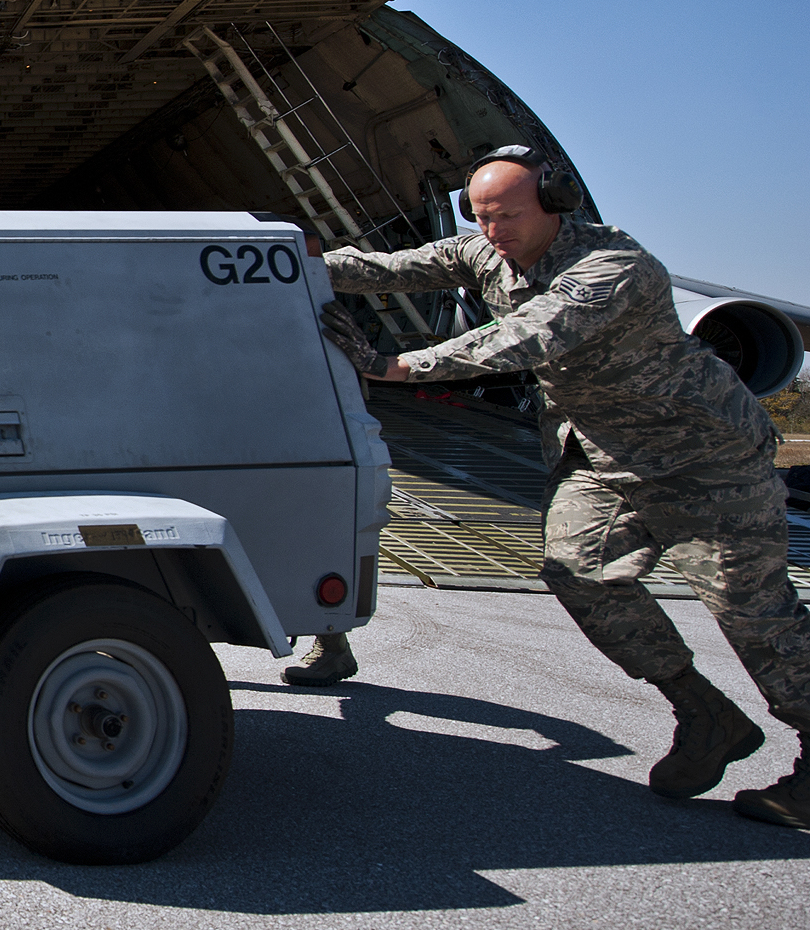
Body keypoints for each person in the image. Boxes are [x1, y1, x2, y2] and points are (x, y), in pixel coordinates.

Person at [298, 146, 810, 829]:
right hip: (602, 457)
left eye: (507, 215)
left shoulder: (612, 266)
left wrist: (388, 364)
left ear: (556, 201)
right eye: (480, 217)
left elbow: (520, 339)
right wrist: (278, 257)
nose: (492, 230)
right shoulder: (488, 252)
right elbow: (392, 267)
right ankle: (703, 712)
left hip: (703, 461)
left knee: (755, 616)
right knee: (579, 573)